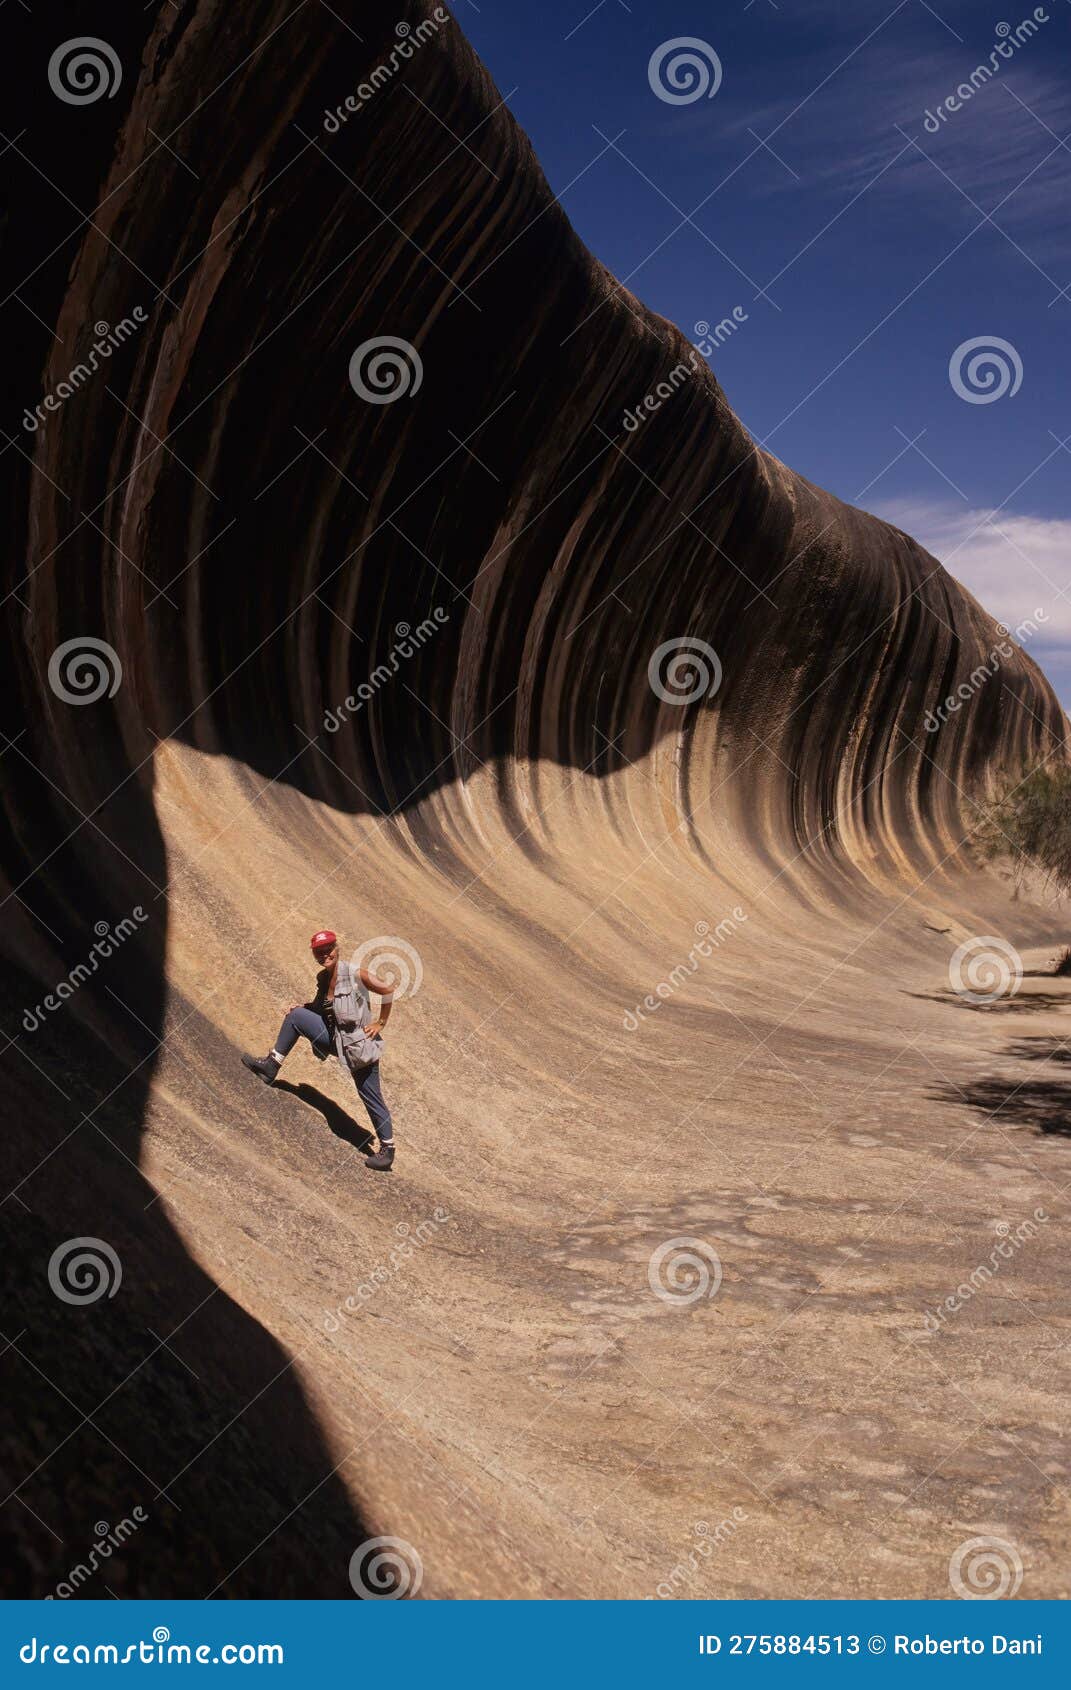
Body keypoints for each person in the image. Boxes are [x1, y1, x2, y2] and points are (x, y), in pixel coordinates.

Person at [242, 930, 398, 1171]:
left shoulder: (354, 974)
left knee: (370, 1095)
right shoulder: (324, 978)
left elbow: (387, 990)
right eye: (319, 951)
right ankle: (272, 1065)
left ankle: (387, 1150)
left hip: (358, 1048)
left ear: (337, 947)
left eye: (328, 948)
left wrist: (380, 1023)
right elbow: (319, 1009)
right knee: (295, 1016)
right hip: (335, 1040)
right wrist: (302, 1008)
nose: (325, 954)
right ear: (315, 955)